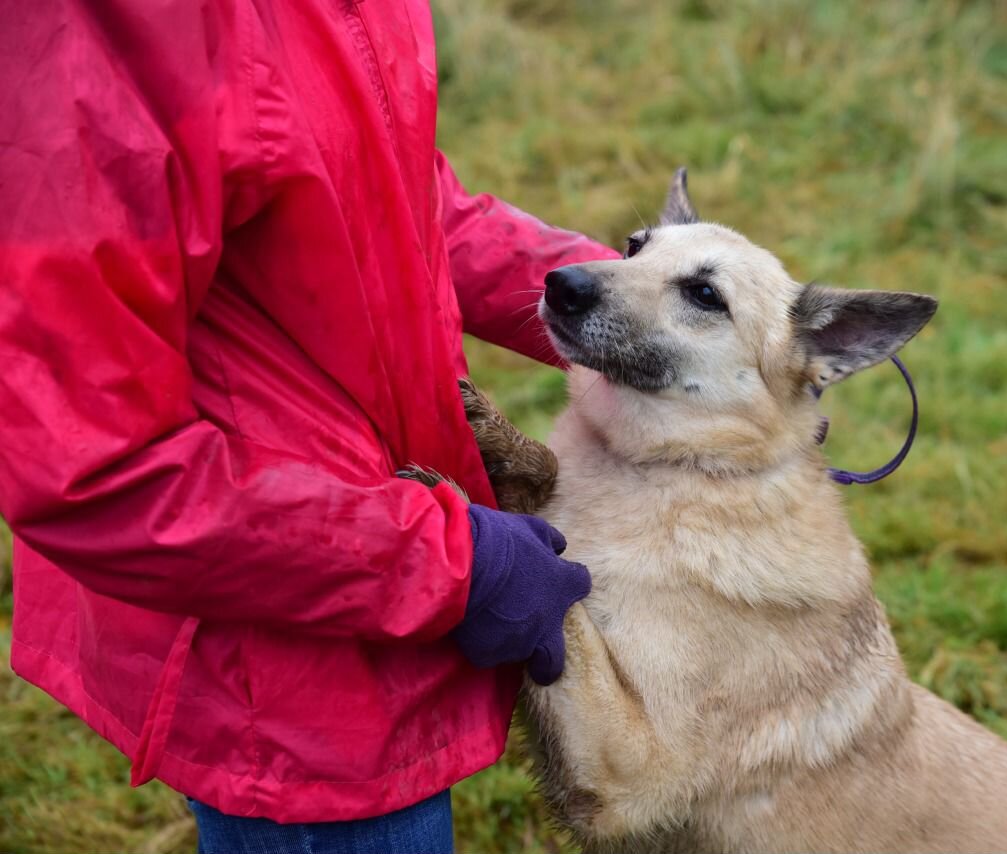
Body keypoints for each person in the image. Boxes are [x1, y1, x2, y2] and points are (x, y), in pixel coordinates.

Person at [0, 2, 617, 851]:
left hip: (363, 565)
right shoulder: (105, 35)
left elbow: (390, 198)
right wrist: (454, 569)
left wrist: (645, 304)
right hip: (281, 661)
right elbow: (96, 471)